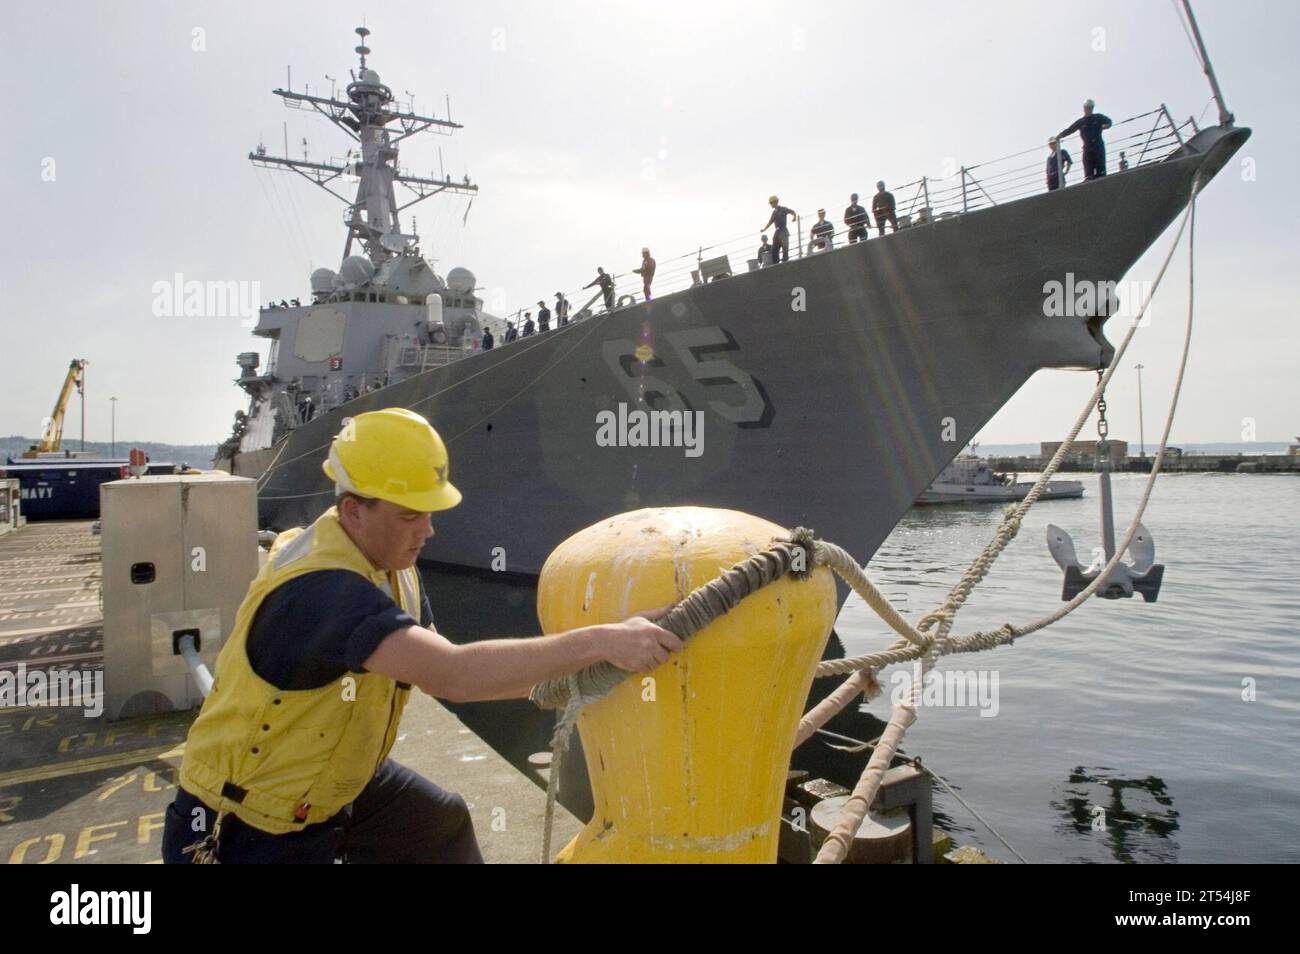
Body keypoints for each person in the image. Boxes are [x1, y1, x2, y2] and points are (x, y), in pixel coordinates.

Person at [161, 409, 681, 864]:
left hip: (331, 783)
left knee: (439, 826)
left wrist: (568, 677)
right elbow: (452, 675)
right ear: (353, 511)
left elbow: (437, 656)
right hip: (249, 822)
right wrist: (601, 642)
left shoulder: (386, 562)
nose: (427, 530)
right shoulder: (323, 589)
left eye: (429, 512)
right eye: (410, 515)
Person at [1058, 99, 1112, 180]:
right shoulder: (1081, 122)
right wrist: (1060, 135)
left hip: (1098, 147)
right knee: (1088, 174)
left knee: (1101, 172)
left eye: (1090, 108)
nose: (1088, 109)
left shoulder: (1098, 117)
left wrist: (1106, 126)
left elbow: (1109, 121)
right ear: (1084, 108)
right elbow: (1070, 129)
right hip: (1087, 148)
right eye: (1087, 107)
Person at [761, 195, 797, 264]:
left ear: (776, 202)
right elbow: (770, 222)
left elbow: (792, 212)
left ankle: (785, 262)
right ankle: (776, 264)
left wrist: (794, 218)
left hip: (783, 230)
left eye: (772, 203)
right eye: (770, 203)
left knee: (785, 248)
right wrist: (764, 229)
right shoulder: (774, 212)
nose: (771, 204)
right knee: (774, 250)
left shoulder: (783, 209)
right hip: (777, 232)